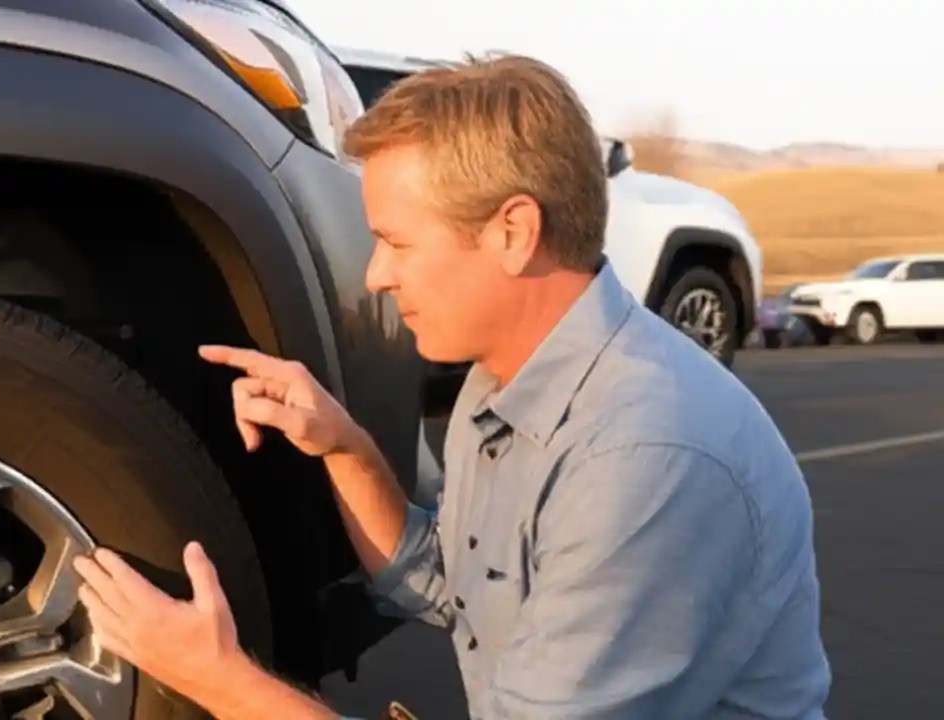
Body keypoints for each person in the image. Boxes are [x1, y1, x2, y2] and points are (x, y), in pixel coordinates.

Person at [72, 53, 832, 719]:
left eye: (397, 241)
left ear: (512, 232)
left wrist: (215, 678)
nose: (375, 275)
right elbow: (450, 585)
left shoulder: (647, 459)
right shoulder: (503, 378)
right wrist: (344, 447)